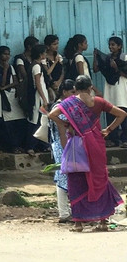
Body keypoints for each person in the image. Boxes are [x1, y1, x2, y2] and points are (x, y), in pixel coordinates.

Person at [48, 75, 126, 232]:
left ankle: (78, 223)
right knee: (99, 179)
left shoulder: (68, 103)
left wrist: (66, 124)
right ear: (90, 87)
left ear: (75, 89)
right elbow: (122, 114)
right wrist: (108, 130)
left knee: (77, 181)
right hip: (96, 145)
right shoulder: (98, 102)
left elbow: (51, 115)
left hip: (77, 147)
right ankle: (103, 221)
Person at [48, 78, 75, 224]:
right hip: (61, 145)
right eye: (72, 92)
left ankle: (66, 211)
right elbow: (63, 130)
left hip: (60, 145)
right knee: (63, 177)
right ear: (64, 92)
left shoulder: (61, 105)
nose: (74, 95)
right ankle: (64, 213)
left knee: (63, 177)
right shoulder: (60, 107)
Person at [0, 45, 28, 153]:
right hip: (3, 97)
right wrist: (5, 70)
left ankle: (20, 144)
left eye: (8, 54)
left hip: (12, 95)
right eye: (4, 54)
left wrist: (5, 87)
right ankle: (13, 146)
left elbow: (15, 82)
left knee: (19, 121)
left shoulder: (11, 67)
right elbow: (1, 82)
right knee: (8, 123)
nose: (6, 56)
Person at [97, 36, 127, 145]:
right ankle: (113, 138)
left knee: (123, 110)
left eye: (113, 45)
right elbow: (97, 69)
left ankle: (125, 138)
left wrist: (116, 68)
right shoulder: (107, 58)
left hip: (121, 87)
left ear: (119, 46)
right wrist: (97, 57)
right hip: (110, 87)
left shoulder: (124, 57)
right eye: (110, 45)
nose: (111, 47)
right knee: (110, 111)